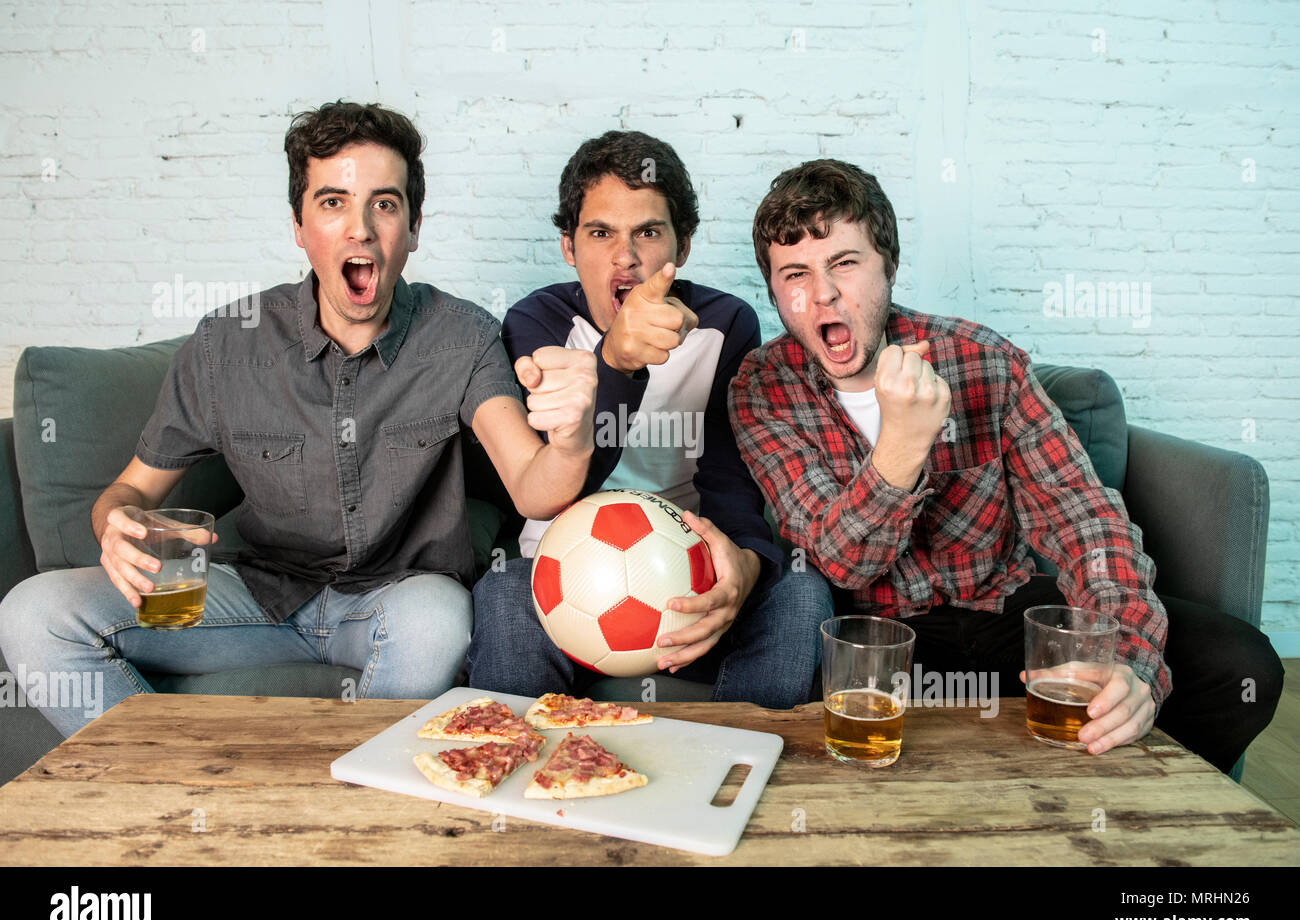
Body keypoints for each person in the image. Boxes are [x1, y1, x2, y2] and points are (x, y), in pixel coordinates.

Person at [0, 101, 597, 737]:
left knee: (438, 622)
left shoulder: (461, 335)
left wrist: (571, 437)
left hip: (396, 600)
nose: (360, 229)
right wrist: (114, 524)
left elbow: (536, 488)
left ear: (414, 228)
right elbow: (131, 491)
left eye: (385, 204)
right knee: (33, 612)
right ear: (299, 224)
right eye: (333, 202)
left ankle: (360, 798)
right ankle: (166, 782)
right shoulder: (228, 344)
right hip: (253, 598)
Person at [728, 158, 1283, 772]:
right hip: (877, 642)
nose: (823, 293)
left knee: (1239, 665)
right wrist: (902, 448)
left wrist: (1127, 658)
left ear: (888, 264)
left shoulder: (982, 360)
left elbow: (1084, 519)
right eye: (795, 274)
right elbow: (840, 560)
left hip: (1004, 615)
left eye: (845, 263)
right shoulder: (763, 387)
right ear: (775, 291)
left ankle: (1118, 806)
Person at [468, 131, 832, 708]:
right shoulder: (534, 321)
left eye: (648, 232)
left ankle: (736, 766)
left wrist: (743, 565)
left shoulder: (724, 323)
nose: (626, 257)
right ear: (568, 245)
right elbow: (558, 483)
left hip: (682, 569)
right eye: (600, 233)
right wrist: (617, 361)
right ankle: (526, 777)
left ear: (681, 246)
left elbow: (731, 481)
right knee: (500, 590)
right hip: (559, 574)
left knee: (803, 593)